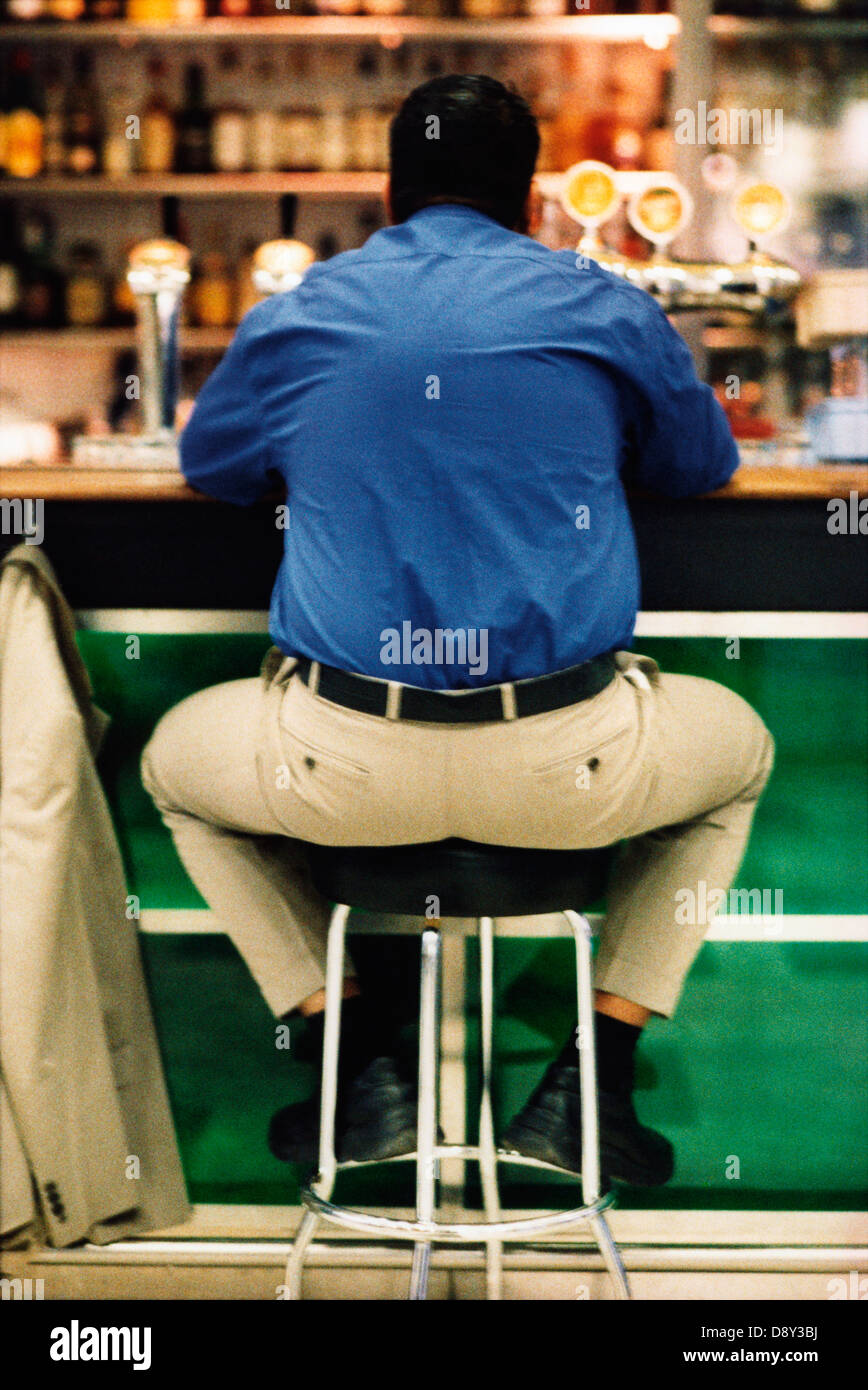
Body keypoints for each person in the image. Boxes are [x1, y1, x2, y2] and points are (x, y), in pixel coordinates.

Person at [141, 75, 774, 1185]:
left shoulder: (299, 310)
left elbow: (212, 467)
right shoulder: (604, 299)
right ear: (532, 198)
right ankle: (596, 1085)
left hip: (338, 769)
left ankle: (352, 1066)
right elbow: (699, 464)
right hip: (570, 773)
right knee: (740, 754)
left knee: (173, 764)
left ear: (389, 191)